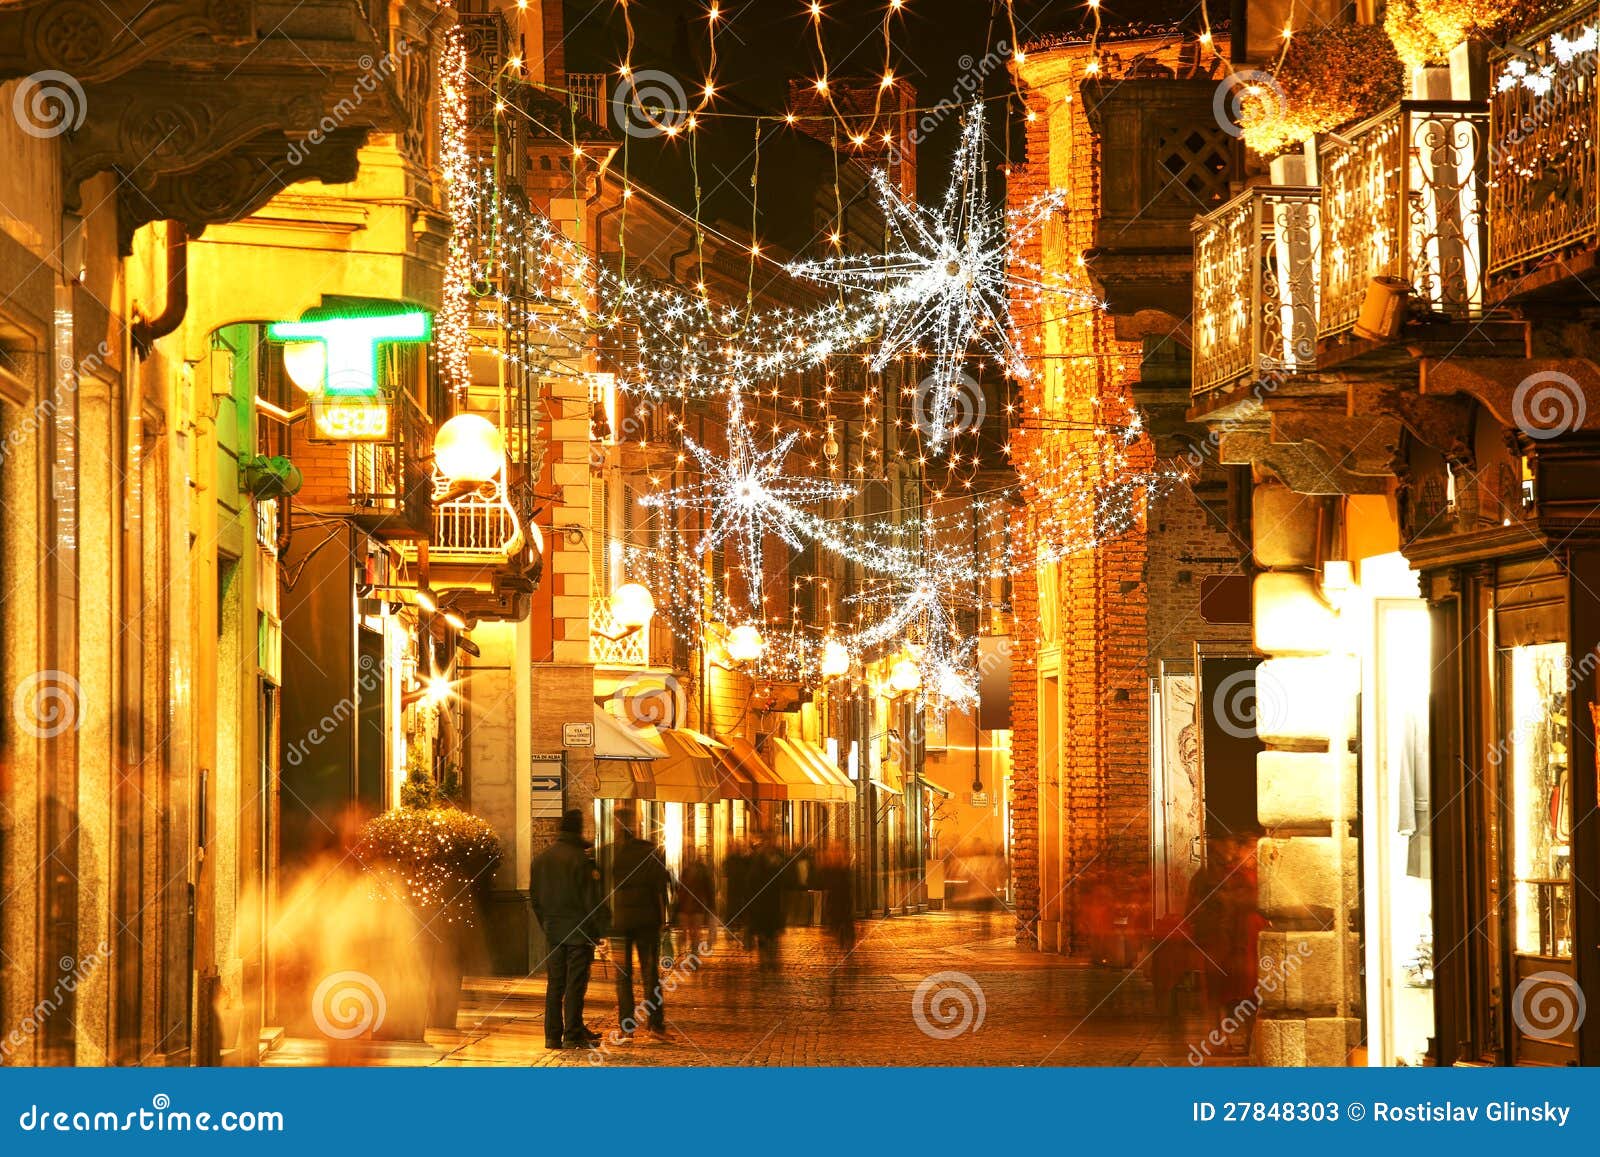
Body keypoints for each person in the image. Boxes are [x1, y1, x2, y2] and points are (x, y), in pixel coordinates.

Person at [529, 809, 605, 1050]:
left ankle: (552, 1035)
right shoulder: (581, 861)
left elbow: (535, 898)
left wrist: (547, 924)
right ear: (578, 829)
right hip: (578, 932)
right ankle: (572, 1032)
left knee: (555, 984)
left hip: (553, 930)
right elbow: (591, 901)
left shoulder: (541, 860)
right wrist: (596, 931)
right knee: (575, 983)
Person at [606, 807, 674, 1042]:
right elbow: (661, 889)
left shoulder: (612, 853)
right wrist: (664, 920)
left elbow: (605, 890)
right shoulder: (650, 852)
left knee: (622, 976)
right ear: (635, 825)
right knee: (650, 973)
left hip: (620, 924)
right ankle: (655, 1025)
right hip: (647, 922)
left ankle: (627, 1028)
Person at [675, 846, 717, 954]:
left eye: (691, 854)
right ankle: (691, 951)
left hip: (697, 905)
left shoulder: (701, 870)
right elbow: (681, 889)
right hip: (685, 906)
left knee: (695, 932)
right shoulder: (685, 870)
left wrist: (711, 906)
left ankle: (694, 952)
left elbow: (708, 888)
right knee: (686, 932)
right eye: (688, 854)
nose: (690, 856)